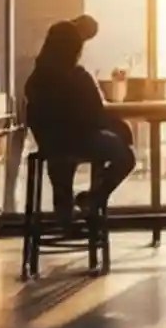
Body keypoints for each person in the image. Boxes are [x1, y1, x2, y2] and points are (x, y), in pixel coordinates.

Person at [25, 21, 136, 224]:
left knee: (60, 155)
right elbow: (97, 114)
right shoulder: (78, 77)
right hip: (81, 141)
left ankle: (64, 210)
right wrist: (120, 129)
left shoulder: (35, 80)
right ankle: (93, 198)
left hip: (51, 146)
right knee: (126, 156)